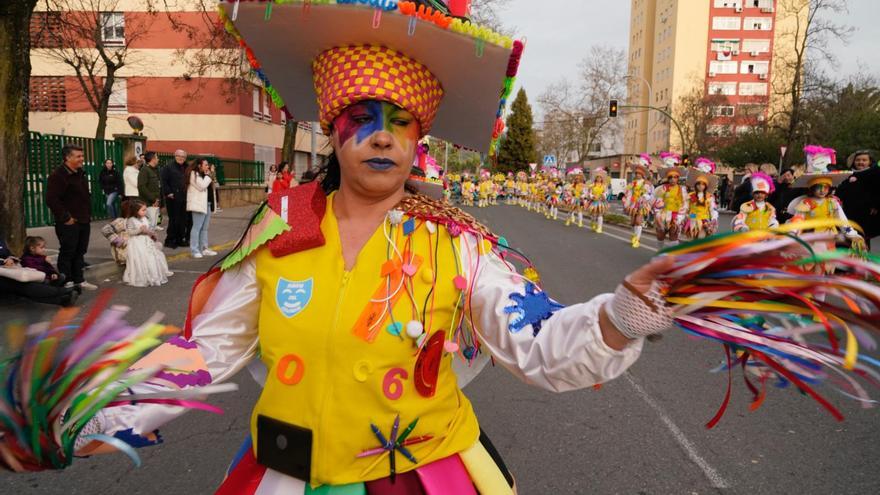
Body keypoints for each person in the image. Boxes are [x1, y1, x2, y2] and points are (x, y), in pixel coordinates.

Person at [74, 6, 678, 492]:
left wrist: (620, 318)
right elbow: (204, 351)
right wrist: (82, 417)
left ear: (419, 138)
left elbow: (538, 342)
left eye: (401, 120)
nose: (382, 135)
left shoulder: (455, 244)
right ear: (332, 131)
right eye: (361, 116)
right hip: (293, 474)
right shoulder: (279, 231)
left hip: (420, 476)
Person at [786, 145, 865, 268]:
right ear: (812, 188)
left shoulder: (832, 203)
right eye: (818, 187)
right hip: (810, 239)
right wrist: (792, 235)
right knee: (810, 265)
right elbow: (798, 220)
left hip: (828, 239)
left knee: (826, 267)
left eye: (825, 187)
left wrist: (852, 234)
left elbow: (842, 221)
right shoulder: (806, 203)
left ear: (830, 188)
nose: (822, 191)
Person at [45, 143, 98, 291]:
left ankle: (79, 279)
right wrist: (66, 217)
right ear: (68, 158)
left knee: (80, 251)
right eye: (78, 156)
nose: (82, 159)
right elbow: (52, 199)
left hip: (83, 219)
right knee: (68, 251)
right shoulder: (58, 176)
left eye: (82, 155)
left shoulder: (80, 173)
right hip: (69, 222)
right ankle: (66, 280)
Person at [0, 232, 78, 306]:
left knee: (23, 285)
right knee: (21, 286)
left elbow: (8, 254)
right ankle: (62, 292)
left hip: (6, 269)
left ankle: (62, 300)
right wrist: (3, 262)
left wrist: (11, 259)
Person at [123, 199, 173, 287]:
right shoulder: (131, 220)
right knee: (141, 259)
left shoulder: (145, 218)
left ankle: (153, 275)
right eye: (143, 210)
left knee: (151, 257)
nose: (145, 212)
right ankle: (143, 276)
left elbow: (149, 228)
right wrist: (139, 230)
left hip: (147, 240)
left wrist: (152, 234)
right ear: (135, 211)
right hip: (137, 243)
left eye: (145, 209)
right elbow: (130, 232)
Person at [836, 150, 880, 249]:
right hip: (850, 212)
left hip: (867, 213)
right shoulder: (848, 174)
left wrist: (876, 205)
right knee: (850, 236)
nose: (861, 162)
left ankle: (862, 259)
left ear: (869, 162)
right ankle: (851, 260)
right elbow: (840, 191)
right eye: (858, 160)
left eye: (864, 160)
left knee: (863, 238)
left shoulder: (875, 173)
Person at [652, 163, 689, 248]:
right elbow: (658, 203)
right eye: (670, 177)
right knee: (660, 235)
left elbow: (685, 204)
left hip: (676, 215)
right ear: (667, 178)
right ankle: (660, 252)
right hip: (664, 214)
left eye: (675, 177)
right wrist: (658, 215)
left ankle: (672, 256)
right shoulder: (662, 188)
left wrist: (679, 218)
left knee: (674, 235)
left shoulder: (682, 189)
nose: (672, 179)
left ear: (678, 178)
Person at [186, 158, 217, 259]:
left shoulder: (204, 175)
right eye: (205, 165)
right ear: (199, 165)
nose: (207, 167)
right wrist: (209, 175)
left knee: (204, 228)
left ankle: (203, 248)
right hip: (198, 204)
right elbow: (202, 186)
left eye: (208, 165)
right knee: (196, 227)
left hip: (206, 203)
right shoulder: (193, 174)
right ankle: (194, 250)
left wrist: (210, 175)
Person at [161, 149, 191, 248]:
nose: (181, 158)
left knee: (183, 220)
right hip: (172, 198)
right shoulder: (168, 167)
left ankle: (179, 239)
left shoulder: (187, 167)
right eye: (179, 156)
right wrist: (168, 192)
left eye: (183, 157)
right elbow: (164, 181)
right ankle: (170, 240)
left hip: (184, 197)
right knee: (174, 220)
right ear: (175, 156)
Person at [623, 155, 654, 248]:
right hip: (633, 204)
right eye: (636, 173)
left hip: (642, 204)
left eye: (639, 173)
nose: (637, 175)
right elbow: (629, 193)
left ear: (643, 174)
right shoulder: (632, 183)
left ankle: (637, 239)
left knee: (638, 221)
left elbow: (650, 194)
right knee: (632, 222)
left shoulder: (647, 184)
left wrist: (644, 197)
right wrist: (627, 203)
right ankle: (635, 235)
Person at [683, 160, 719, 240]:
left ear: (706, 186)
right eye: (698, 183)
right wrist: (688, 217)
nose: (700, 186)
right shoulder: (690, 196)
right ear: (695, 185)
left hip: (704, 222)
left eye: (703, 184)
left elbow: (713, 210)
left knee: (700, 239)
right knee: (693, 242)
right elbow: (685, 209)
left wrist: (713, 219)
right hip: (692, 221)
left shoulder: (709, 197)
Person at [138, 151, 163, 231]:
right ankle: (148, 241)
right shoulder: (144, 170)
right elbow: (142, 187)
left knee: (156, 221)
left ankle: (153, 239)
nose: (158, 159)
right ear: (153, 159)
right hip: (149, 202)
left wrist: (158, 199)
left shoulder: (155, 169)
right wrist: (153, 199)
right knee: (150, 225)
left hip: (156, 200)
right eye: (157, 157)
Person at [587, 168, 609, 233]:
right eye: (598, 177)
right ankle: (593, 223)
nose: (599, 179)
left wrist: (604, 195)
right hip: (594, 202)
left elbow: (606, 192)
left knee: (600, 214)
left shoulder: (604, 186)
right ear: (595, 178)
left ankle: (599, 228)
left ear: (602, 179)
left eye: (600, 177)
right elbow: (589, 193)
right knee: (593, 215)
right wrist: (592, 196)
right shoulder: (592, 185)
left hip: (601, 202)